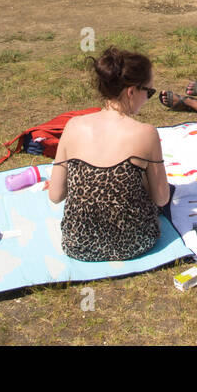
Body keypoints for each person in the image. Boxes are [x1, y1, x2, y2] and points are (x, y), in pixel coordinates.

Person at [47, 47, 170, 262]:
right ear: (131, 91)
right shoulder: (146, 133)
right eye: (148, 92)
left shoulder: (73, 126)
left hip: (78, 244)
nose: (148, 98)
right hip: (137, 241)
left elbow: (55, 195)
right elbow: (161, 198)